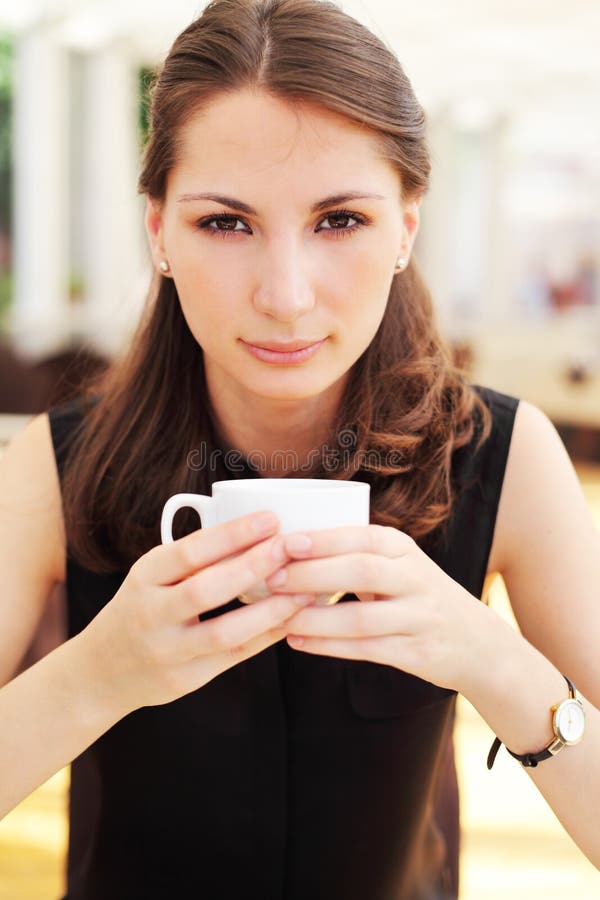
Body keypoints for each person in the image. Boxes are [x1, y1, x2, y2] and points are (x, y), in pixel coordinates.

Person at [0, 0, 598, 897]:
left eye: (341, 220)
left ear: (406, 227)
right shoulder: (56, 470)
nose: (285, 295)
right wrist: (97, 674)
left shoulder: (505, 458)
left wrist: (494, 661)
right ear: (159, 231)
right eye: (226, 224)